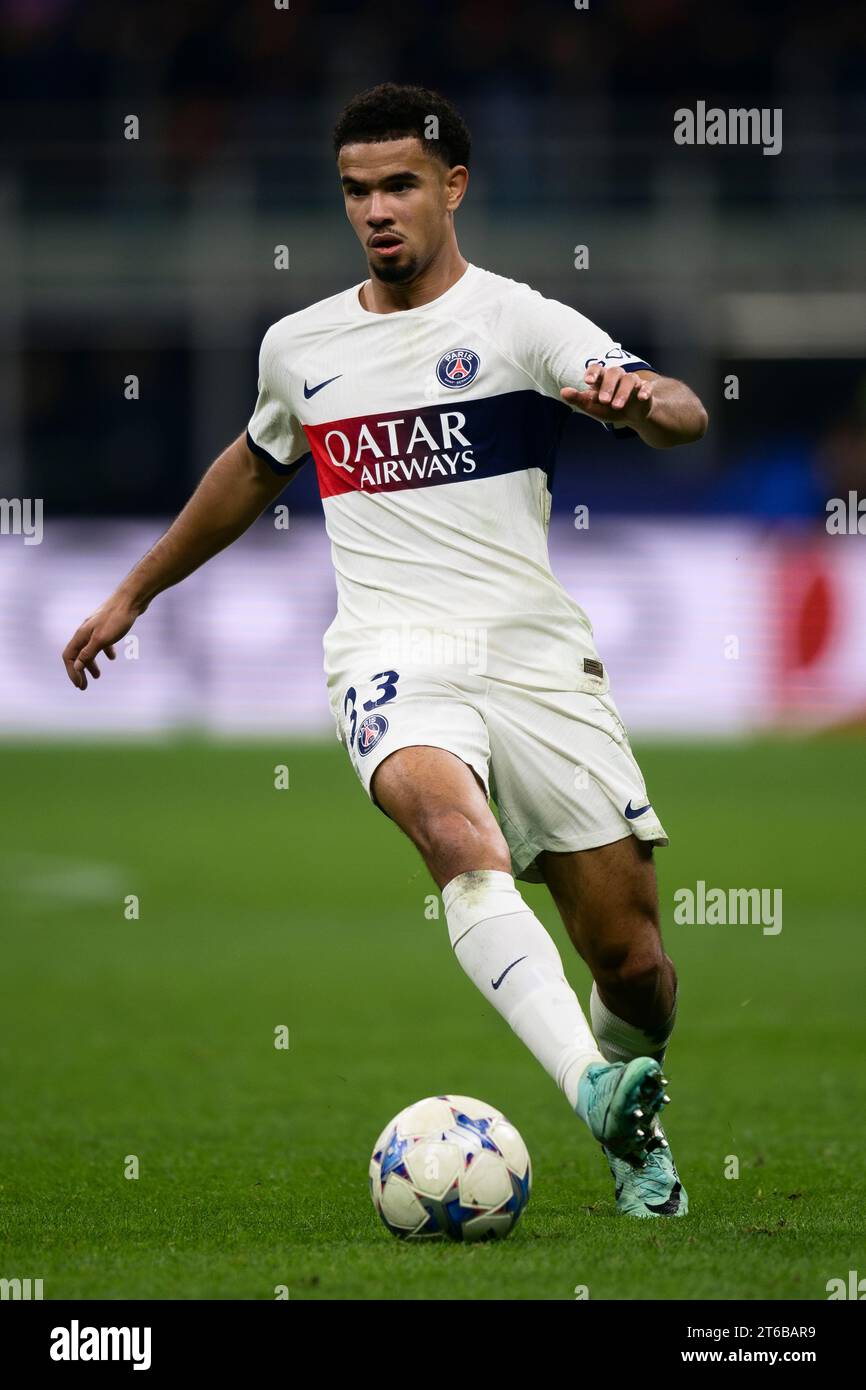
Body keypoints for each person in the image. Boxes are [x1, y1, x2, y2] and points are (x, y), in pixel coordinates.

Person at [63, 82, 708, 1218]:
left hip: (533, 662)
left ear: (452, 186)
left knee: (635, 966)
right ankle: (588, 1087)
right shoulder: (299, 347)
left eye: (399, 184)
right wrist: (133, 592)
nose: (376, 208)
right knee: (454, 837)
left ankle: (628, 1101)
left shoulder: (518, 321)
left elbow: (676, 412)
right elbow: (250, 471)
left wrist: (638, 397)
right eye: (357, 189)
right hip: (389, 654)